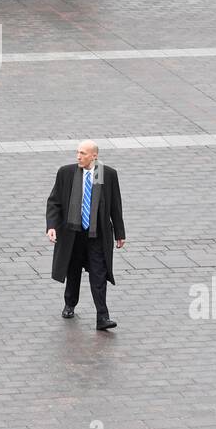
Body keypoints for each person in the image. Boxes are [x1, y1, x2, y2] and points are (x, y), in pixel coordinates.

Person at [45, 141, 126, 331]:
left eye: (83, 153)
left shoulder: (105, 174)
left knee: (99, 273)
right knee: (73, 271)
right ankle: (70, 303)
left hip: (96, 234)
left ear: (94, 156)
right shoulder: (67, 173)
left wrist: (120, 233)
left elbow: (115, 205)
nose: (78, 156)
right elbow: (54, 202)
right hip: (73, 232)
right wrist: (51, 226)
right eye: (77, 152)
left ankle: (102, 317)